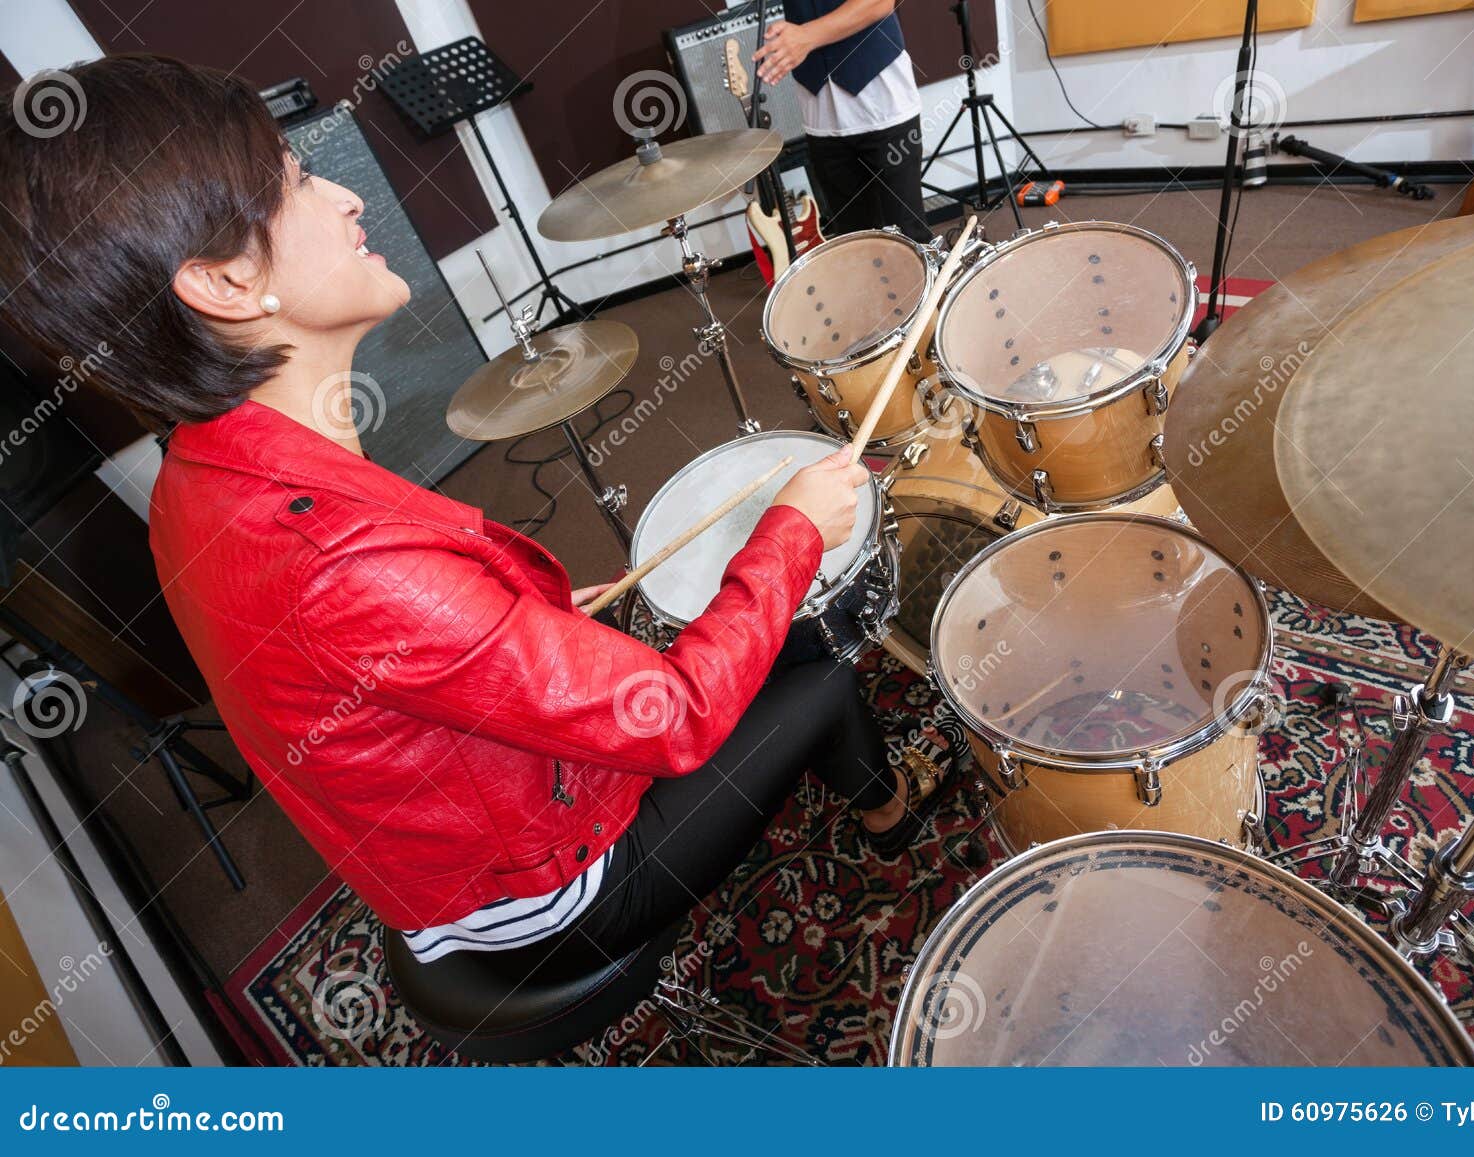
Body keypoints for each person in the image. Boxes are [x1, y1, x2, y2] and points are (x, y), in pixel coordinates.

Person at [0, 55, 948, 976]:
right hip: (537, 897)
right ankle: (889, 810)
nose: (347, 197)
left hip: (429, 845)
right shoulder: (343, 562)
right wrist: (792, 529)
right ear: (225, 283)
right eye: (293, 185)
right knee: (816, 659)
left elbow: (375, 662)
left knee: (736, 622)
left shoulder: (195, 475)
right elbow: (676, 718)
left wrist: (500, 629)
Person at [754, 0, 932, 241]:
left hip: (883, 105)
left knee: (908, 241)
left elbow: (879, 3)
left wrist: (805, 36)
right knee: (854, 246)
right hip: (820, 113)